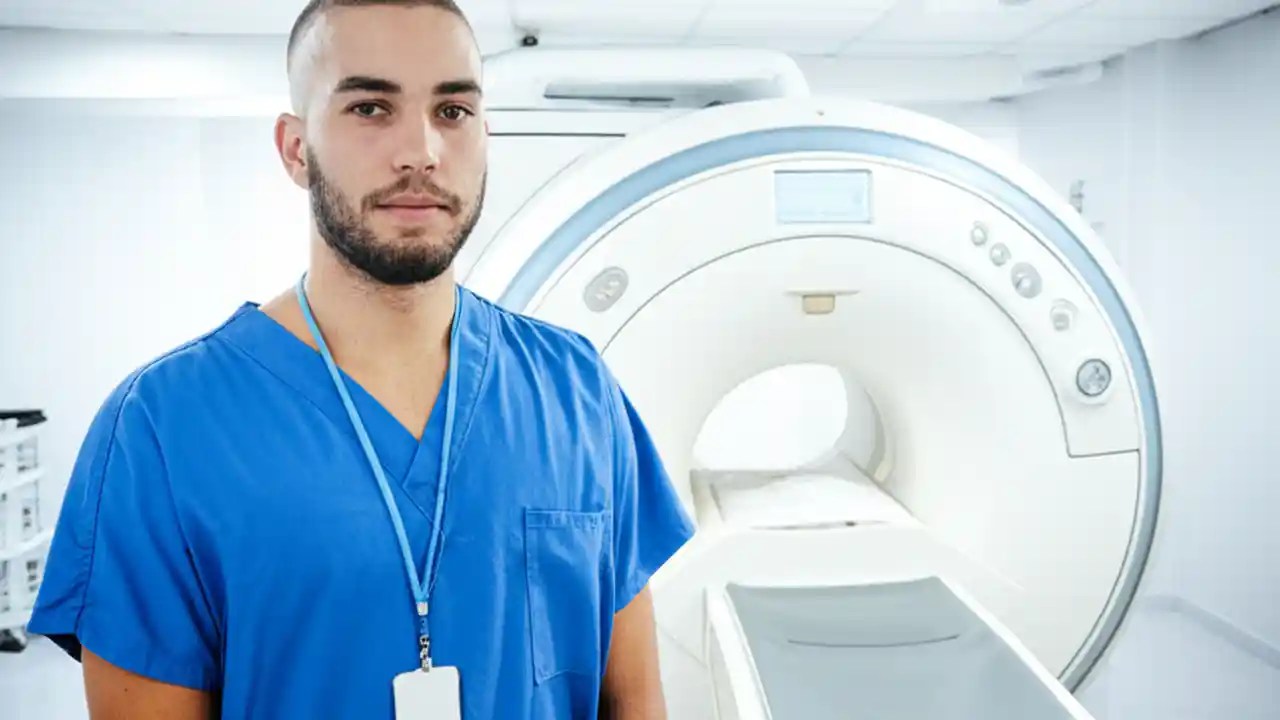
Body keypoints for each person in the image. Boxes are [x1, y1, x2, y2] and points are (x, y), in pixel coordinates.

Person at [27, 1, 696, 717]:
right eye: (371, 107)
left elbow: (634, 701)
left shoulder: (576, 390)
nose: (420, 151)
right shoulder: (162, 428)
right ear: (295, 149)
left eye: (453, 111)